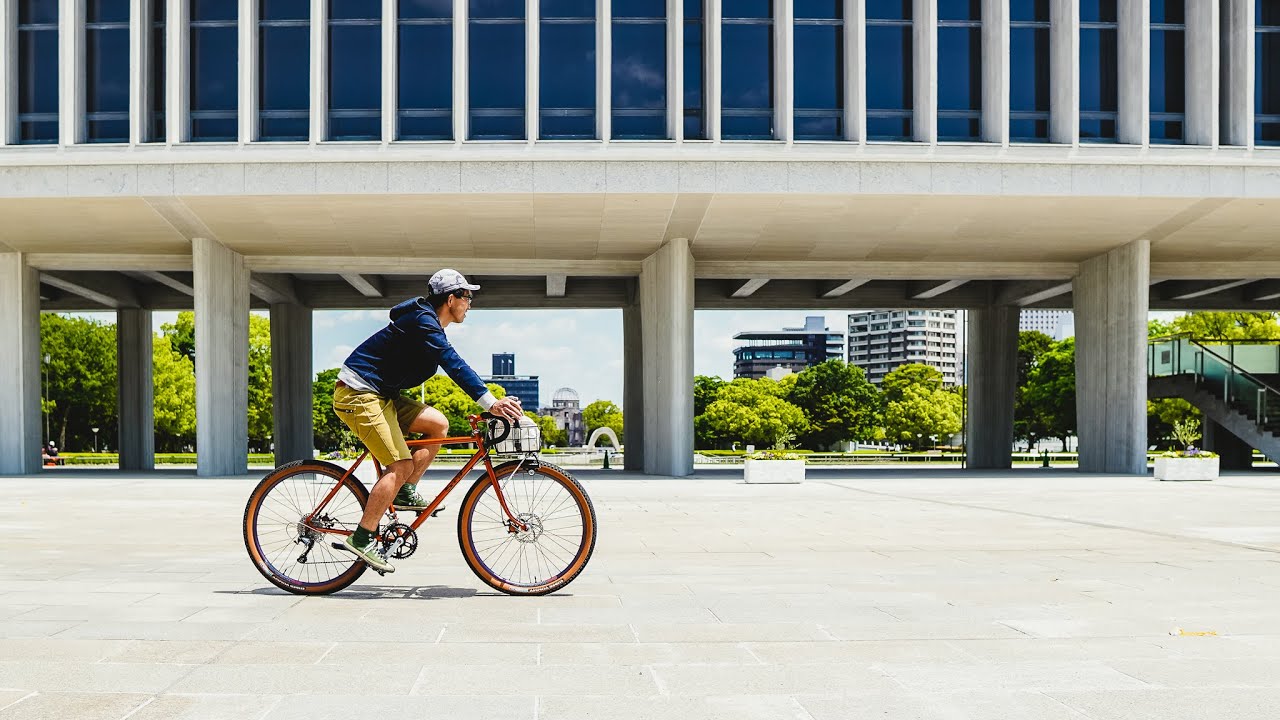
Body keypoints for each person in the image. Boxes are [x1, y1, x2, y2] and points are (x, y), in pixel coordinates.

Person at [332, 269, 524, 572]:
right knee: (399, 464)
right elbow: (452, 362)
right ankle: (361, 537)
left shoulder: (429, 324)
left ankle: (405, 490)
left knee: (438, 424)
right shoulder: (423, 322)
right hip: (359, 393)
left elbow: (448, 360)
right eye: (468, 296)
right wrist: (490, 401)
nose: (470, 303)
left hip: (382, 394)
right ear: (451, 299)